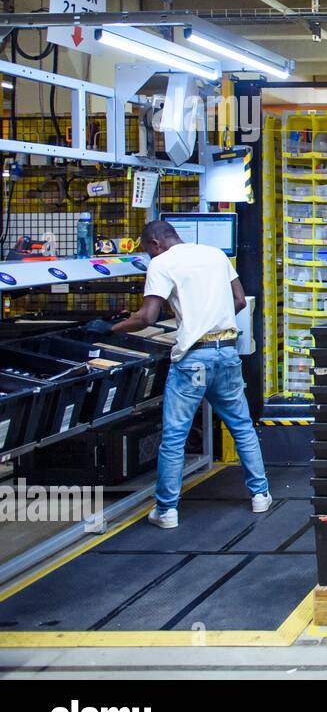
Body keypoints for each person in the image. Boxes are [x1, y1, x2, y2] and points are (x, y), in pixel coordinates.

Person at [90, 220, 271, 529]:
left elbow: (148, 316)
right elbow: (240, 300)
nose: (150, 257)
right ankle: (260, 495)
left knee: (174, 436)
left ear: (155, 244)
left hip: (193, 361)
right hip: (226, 353)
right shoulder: (215, 254)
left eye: (148, 251)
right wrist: (213, 319)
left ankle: (167, 510)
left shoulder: (162, 263)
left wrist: (110, 329)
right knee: (241, 426)